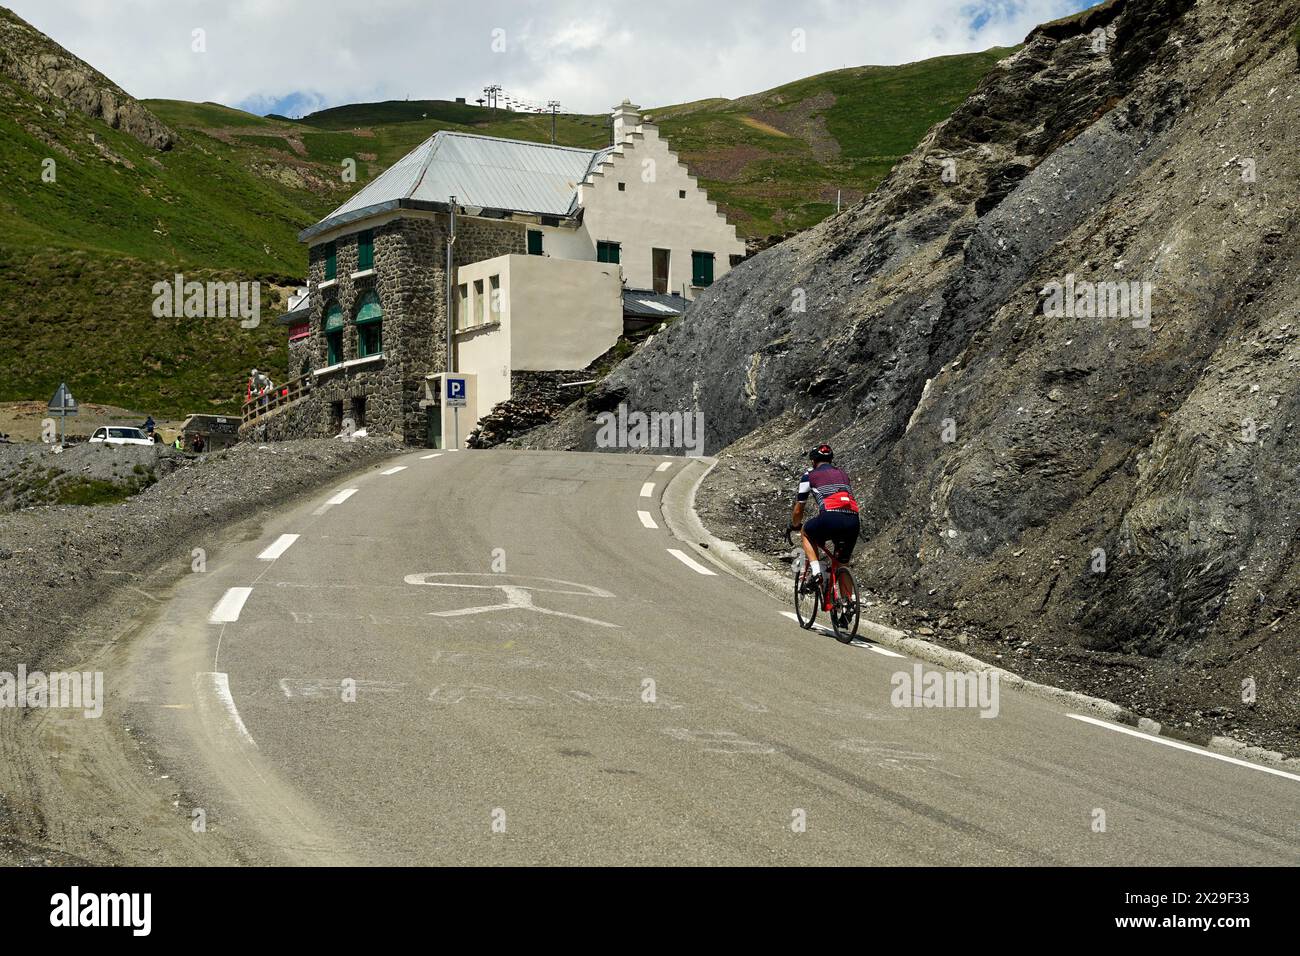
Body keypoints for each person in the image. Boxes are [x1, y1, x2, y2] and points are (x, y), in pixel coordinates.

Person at [789, 444, 860, 592]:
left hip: (831, 517)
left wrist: (795, 525)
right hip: (853, 519)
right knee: (842, 564)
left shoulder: (809, 476)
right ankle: (847, 605)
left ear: (813, 462)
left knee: (806, 532)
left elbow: (798, 509)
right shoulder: (843, 474)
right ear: (831, 460)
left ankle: (816, 573)